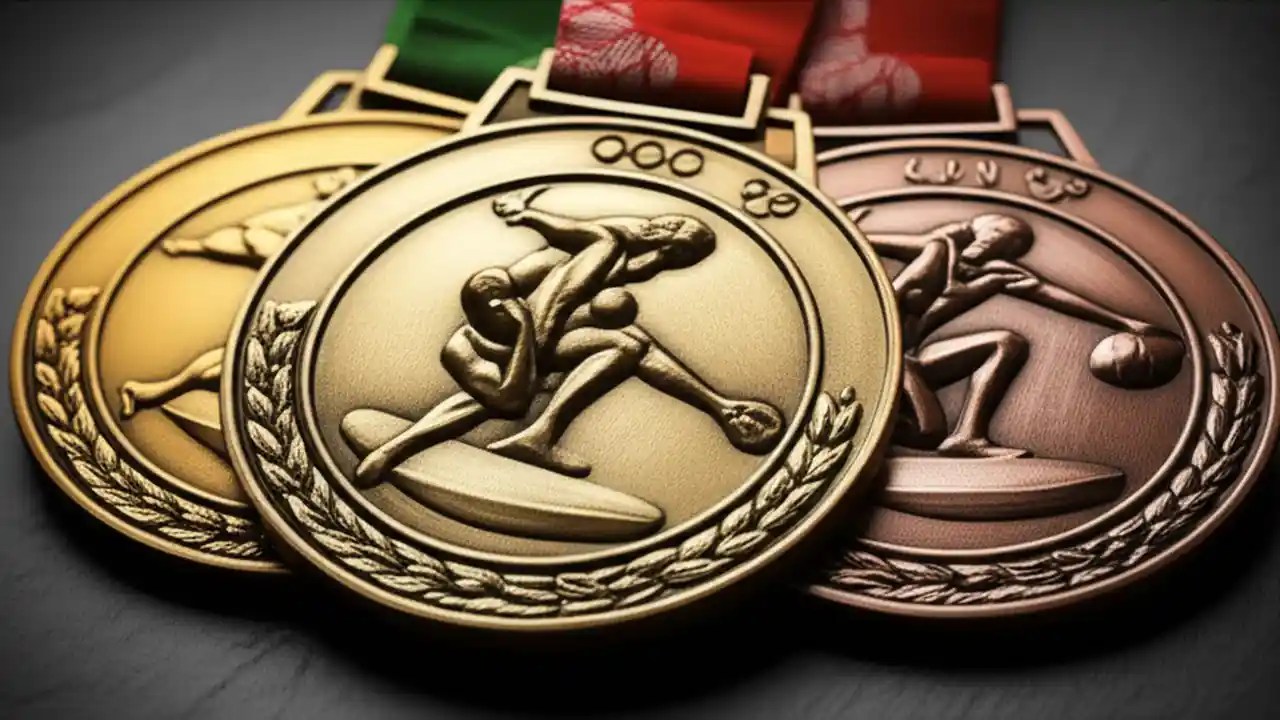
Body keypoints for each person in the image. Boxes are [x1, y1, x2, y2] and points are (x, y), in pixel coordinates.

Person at [352, 185, 785, 486]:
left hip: (501, 334)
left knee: (627, 345)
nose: (669, 244)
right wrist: (527, 214)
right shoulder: (609, 242)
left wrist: (721, 407)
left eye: (682, 250)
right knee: (523, 386)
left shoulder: (624, 260)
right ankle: (534, 425)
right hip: (497, 306)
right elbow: (578, 234)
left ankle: (400, 450)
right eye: (675, 232)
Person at [866, 211, 1178, 458]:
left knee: (1007, 343)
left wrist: (1122, 321)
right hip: (876, 349)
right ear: (978, 230)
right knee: (927, 432)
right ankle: (867, 421)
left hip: (909, 359)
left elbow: (1051, 294)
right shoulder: (935, 248)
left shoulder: (996, 274)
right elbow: (861, 242)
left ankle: (967, 437)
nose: (998, 243)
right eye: (997, 233)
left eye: (1010, 244)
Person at [119, 168, 359, 418]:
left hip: (325, 320)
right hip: (305, 315)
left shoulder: (332, 231)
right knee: (233, 361)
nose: (326, 182)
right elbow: (251, 237)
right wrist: (195, 246)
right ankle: (156, 391)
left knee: (232, 363)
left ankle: (153, 392)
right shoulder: (309, 222)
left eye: (336, 180)